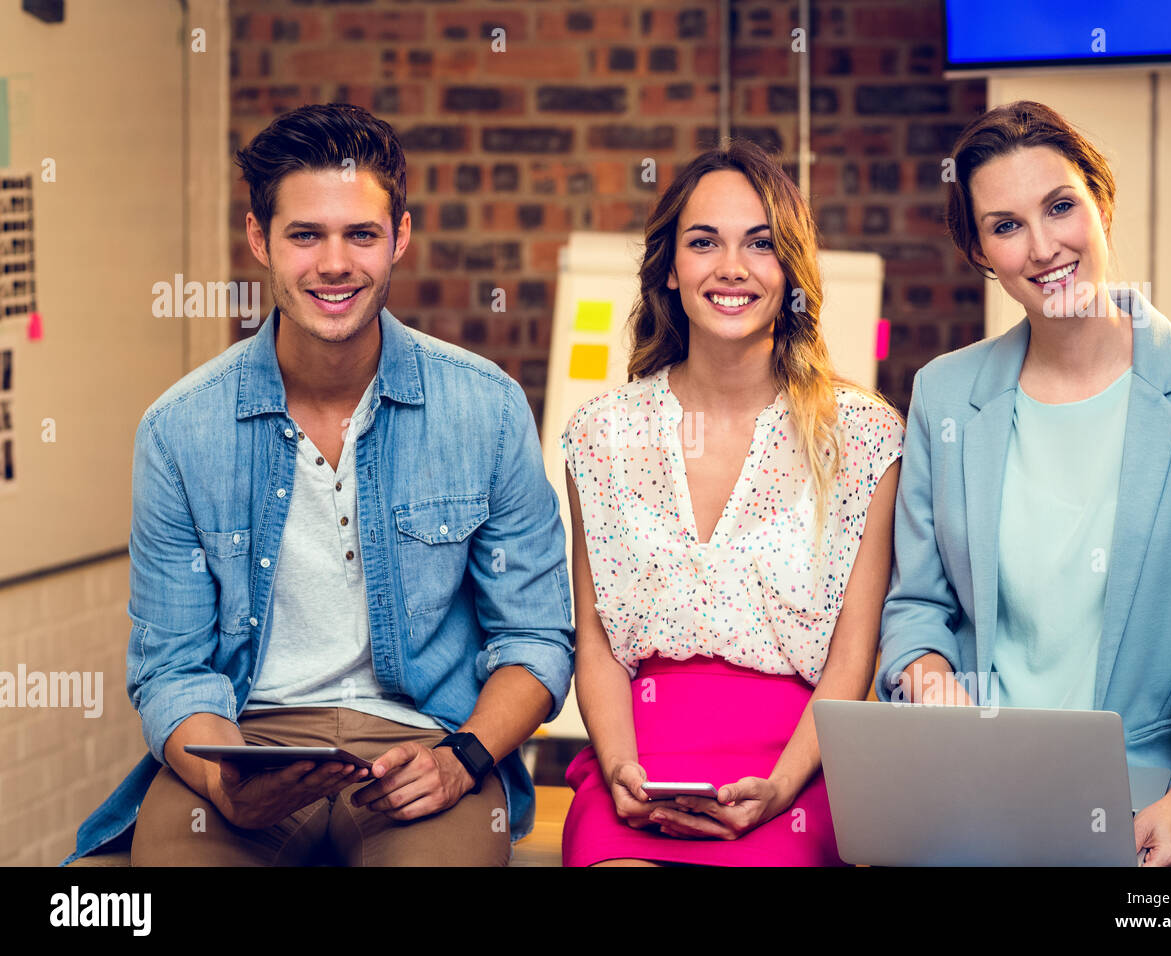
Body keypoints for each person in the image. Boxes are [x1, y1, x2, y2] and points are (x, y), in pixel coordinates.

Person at [62, 103, 573, 866]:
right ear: (259, 239)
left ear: (399, 236)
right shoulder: (179, 430)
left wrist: (462, 759)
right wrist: (220, 779)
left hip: (425, 744)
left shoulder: (485, 407)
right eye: (305, 235)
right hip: (247, 745)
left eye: (360, 234)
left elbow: (533, 636)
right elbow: (171, 668)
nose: (334, 264)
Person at [878, 101, 1171, 867]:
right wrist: (937, 693)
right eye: (1005, 225)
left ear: (1101, 202)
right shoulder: (943, 394)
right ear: (979, 251)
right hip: (977, 789)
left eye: (1060, 206)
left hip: (1149, 799)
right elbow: (917, 608)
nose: (1043, 247)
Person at [560, 139, 903, 866]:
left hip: (796, 769)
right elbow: (595, 645)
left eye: (760, 244)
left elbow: (853, 660)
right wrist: (621, 768)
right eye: (703, 242)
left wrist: (781, 787)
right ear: (670, 268)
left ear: (792, 270)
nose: (731, 268)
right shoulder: (601, 435)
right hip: (637, 765)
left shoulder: (864, 437)